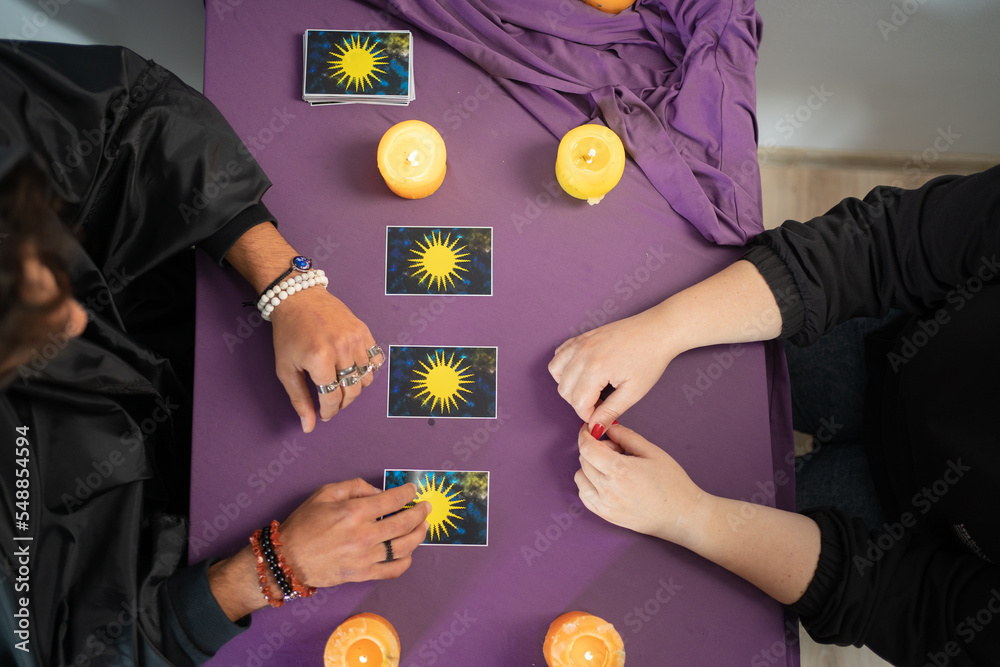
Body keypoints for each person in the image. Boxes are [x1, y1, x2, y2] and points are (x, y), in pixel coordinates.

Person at [0, 41, 429, 666]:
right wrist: (276, 569)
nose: (66, 311)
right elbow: (82, 652)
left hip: (180, 301)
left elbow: (125, 113)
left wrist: (286, 283)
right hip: (160, 544)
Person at [549, 166, 1000, 665]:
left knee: (641, 563)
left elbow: (913, 609)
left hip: (894, 534)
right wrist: (663, 328)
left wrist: (690, 516)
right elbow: (888, 243)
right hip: (895, 349)